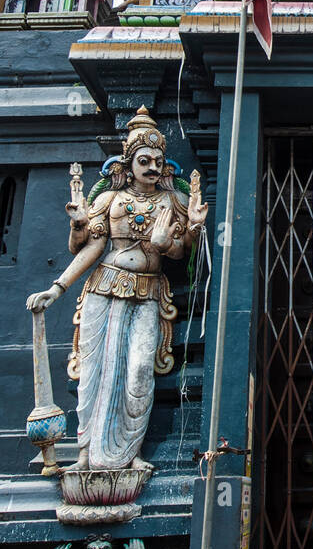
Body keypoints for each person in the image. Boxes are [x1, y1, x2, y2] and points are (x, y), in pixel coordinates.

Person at [26, 108, 208, 471]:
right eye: (144, 160)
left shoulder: (171, 202)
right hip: (104, 287)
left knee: (139, 369)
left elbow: (184, 251)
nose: (152, 167)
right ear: (129, 162)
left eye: (158, 161)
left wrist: (182, 235)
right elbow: (90, 247)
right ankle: (85, 455)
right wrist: (57, 287)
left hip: (148, 292)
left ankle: (129, 453)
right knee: (95, 372)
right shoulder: (110, 200)